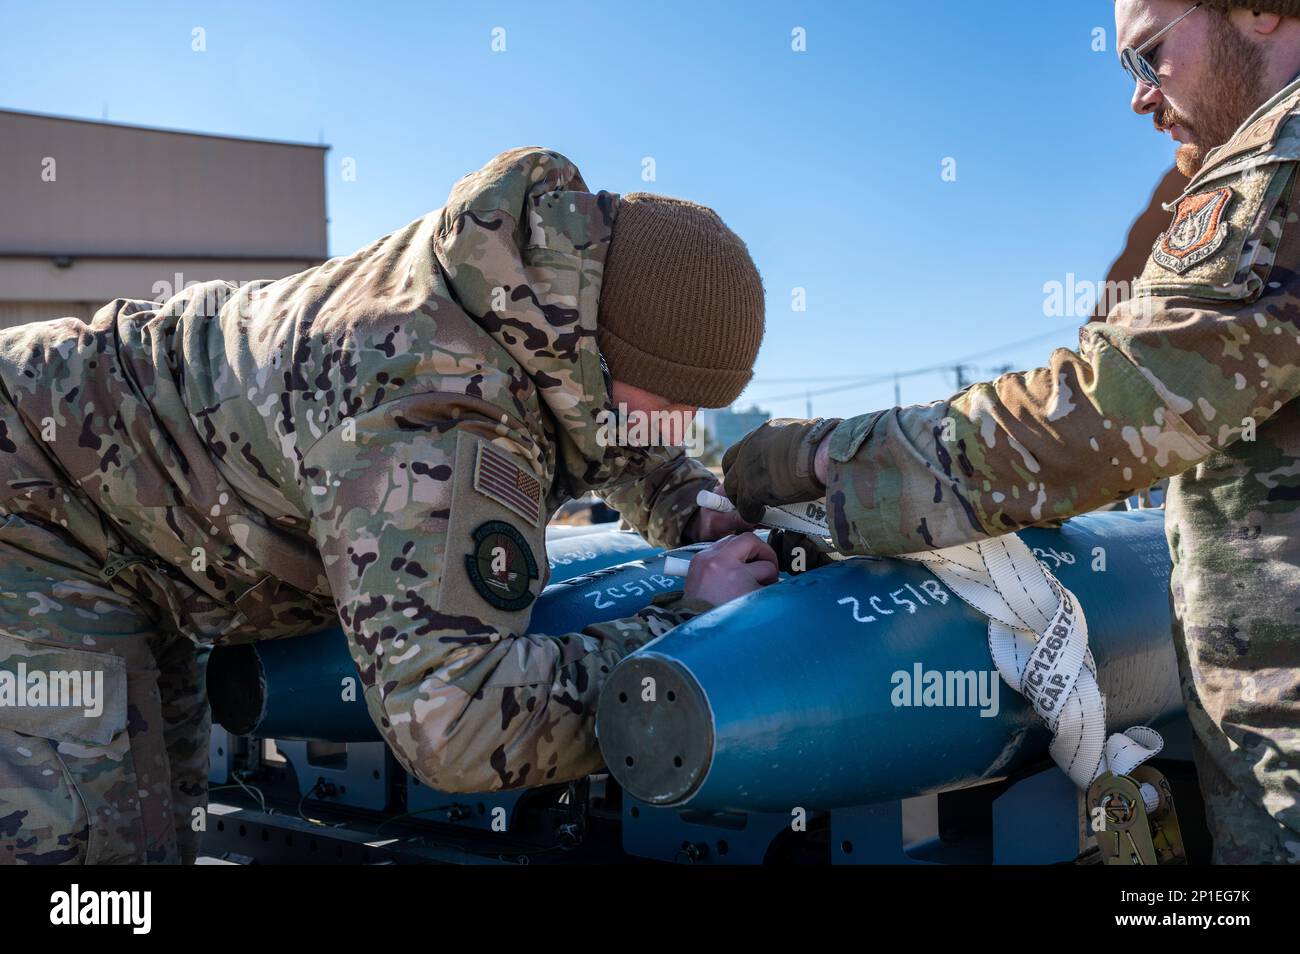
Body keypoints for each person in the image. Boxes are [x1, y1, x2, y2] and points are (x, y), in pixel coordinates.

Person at [0, 145, 777, 864]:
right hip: (36, 506)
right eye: (671, 402)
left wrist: (692, 508)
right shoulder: (428, 403)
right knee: (89, 852)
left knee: (161, 806)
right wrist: (680, 629)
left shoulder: (533, 303)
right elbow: (453, 722)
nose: (674, 430)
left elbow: (609, 428)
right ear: (602, 350)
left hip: (128, 531)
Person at [722, 0, 1300, 863]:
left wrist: (816, 458)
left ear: (1256, 10)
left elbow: (1105, 413)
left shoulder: (1277, 165)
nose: (1140, 98)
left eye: (1148, 57)